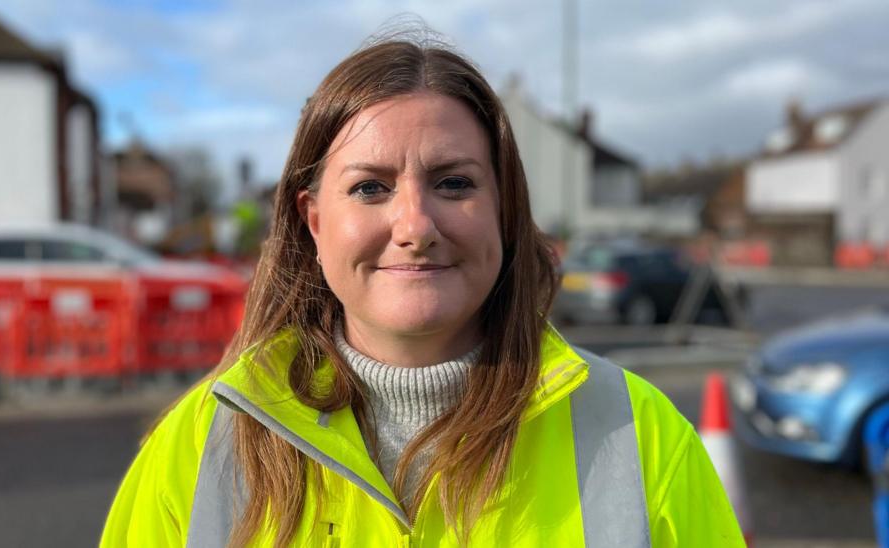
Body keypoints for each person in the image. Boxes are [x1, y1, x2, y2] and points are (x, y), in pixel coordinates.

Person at [101, 36, 745, 547]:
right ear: (314, 221)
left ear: (504, 210)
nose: (416, 227)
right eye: (369, 188)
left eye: (455, 183)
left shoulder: (642, 434)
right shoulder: (198, 445)